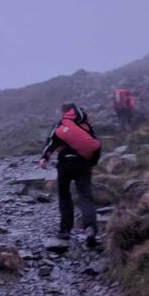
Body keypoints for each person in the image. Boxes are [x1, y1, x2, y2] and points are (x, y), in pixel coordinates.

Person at [40, 103, 102, 246]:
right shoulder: (86, 125)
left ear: (65, 112)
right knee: (85, 196)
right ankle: (90, 228)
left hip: (65, 164)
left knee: (64, 195)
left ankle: (65, 229)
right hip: (83, 165)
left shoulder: (61, 124)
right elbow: (95, 145)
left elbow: (51, 141)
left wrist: (44, 158)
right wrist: (92, 163)